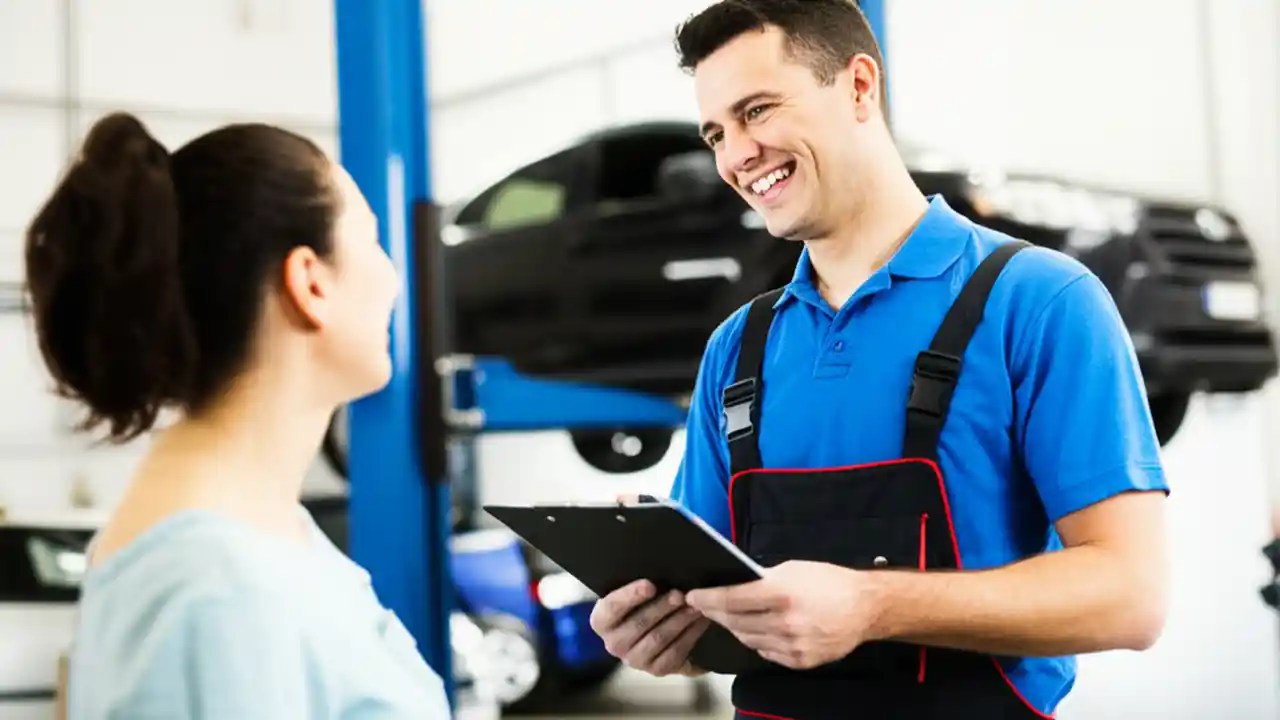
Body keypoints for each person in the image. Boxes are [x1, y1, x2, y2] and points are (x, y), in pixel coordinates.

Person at [588, 1, 1170, 718]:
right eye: (717, 132)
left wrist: (871, 605)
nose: (735, 156)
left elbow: (1131, 597)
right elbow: (718, 610)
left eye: (759, 110)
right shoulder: (736, 349)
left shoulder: (1040, 301)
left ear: (860, 86)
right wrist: (659, 629)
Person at [25, 113, 451, 718]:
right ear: (310, 282)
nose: (391, 278)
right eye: (372, 239)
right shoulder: (217, 588)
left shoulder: (259, 536)